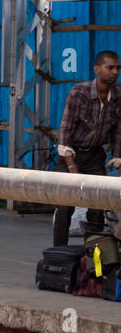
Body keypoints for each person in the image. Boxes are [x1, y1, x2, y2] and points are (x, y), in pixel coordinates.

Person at [53, 50, 121, 246]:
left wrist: (118, 159)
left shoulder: (118, 96)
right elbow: (66, 128)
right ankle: (59, 252)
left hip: (95, 156)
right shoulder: (79, 92)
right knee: (65, 207)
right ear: (97, 69)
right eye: (110, 68)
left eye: (118, 68)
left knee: (97, 207)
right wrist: (71, 166)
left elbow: (118, 132)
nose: (115, 72)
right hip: (71, 155)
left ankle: (92, 257)